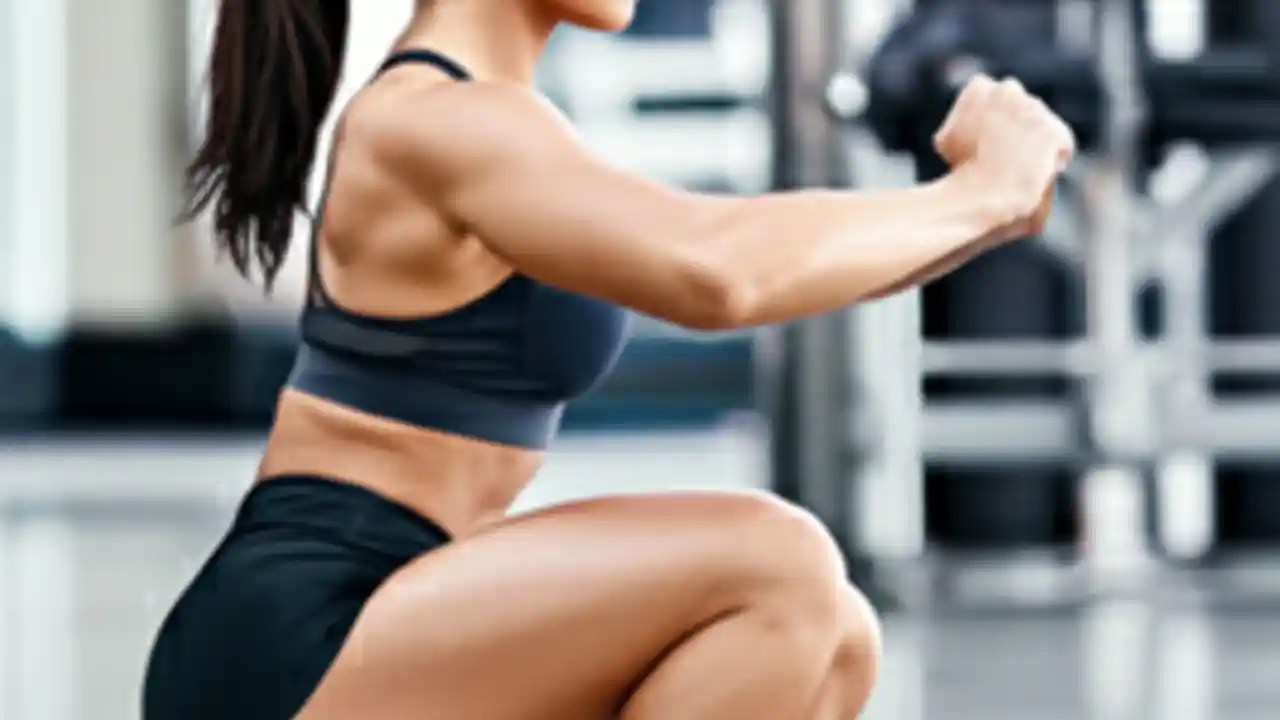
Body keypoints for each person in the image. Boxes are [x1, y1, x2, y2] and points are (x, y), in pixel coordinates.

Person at [142, 1, 1075, 718]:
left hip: (409, 610)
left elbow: (768, 270)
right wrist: (980, 192)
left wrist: (986, 207)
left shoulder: (500, 119)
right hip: (300, 639)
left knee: (835, 637)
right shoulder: (433, 120)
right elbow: (718, 271)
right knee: (774, 562)